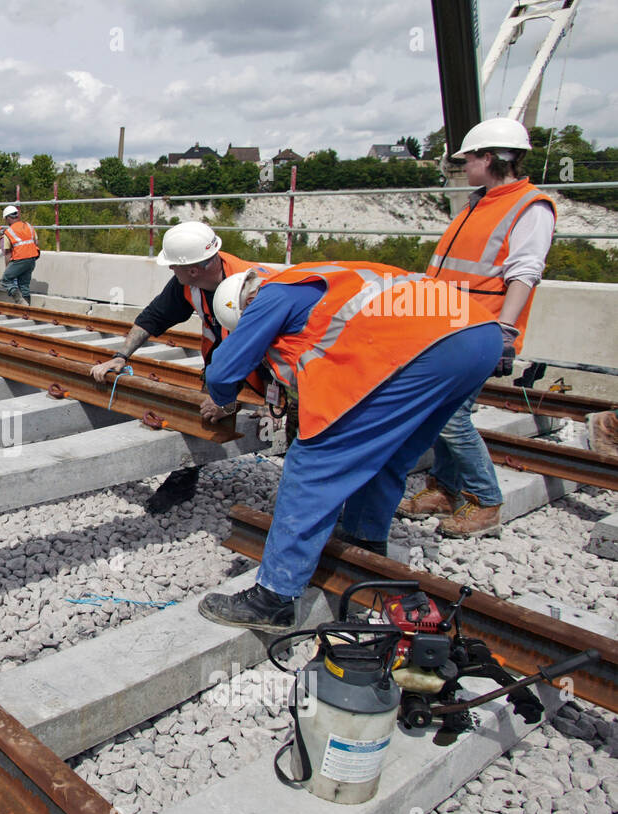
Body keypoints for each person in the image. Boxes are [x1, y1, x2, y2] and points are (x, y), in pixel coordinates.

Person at [195, 262, 502, 633]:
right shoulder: (316, 280)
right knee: (390, 452)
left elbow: (222, 372)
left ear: (245, 305)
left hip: (431, 348)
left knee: (314, 462)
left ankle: (273, 598)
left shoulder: (270, 295)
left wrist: (224, 398)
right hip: (479, 335)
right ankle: (365, 541)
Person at [396, 118, 557, 538]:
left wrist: (505, 331)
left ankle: (486, 501)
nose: (464, 166)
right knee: (441, 410)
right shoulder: (480, 202)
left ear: (489, 158)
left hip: (480, 331)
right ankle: (445, 489)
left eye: (468, 159)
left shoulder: (529, 206)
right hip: (447, 325)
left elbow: (525, 271)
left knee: (452, 417)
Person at [89, 221, 274, 513]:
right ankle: (183, 481)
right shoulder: (189, 284)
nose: (170, 271)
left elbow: (265, 347)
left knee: (295, 426)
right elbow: (155, 316)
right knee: (205, 412)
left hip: (275, 363)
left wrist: (238, 401)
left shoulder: (249, 287)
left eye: (173, 266)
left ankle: (303, 490)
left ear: (193, 269)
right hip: (224, 361)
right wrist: (121, 355)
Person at [0, 205, 40, 305]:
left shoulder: (9, 232)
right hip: (32, 259)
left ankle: (20, 301)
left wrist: (8, 268)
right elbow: (36, 242)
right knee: (24, 285)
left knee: (6, 280)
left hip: (19, 259)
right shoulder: (29, 226)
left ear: (8, 218)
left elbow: (7, 253)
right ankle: (27, 308)